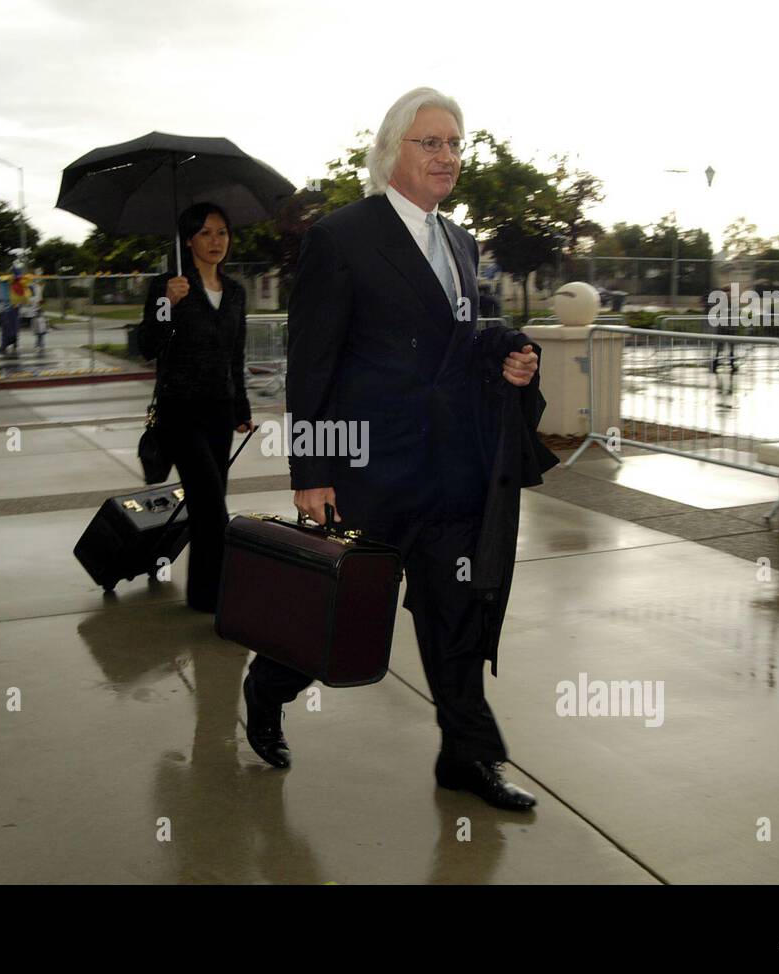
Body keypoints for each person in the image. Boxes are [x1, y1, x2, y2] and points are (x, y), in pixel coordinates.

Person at [241, 88, 559, 812]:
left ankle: (465, 758)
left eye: (454, 143)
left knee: (454, 617)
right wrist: (311, 472)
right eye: (431, 143)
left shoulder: (459, 240)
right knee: (340, 611)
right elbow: (312, 362)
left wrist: (504, 356)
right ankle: (270, 683)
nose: (448, 155)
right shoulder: (343, 237)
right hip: (369, 473)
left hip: (452, 475)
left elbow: (460, 340)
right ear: (392, 154)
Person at [136, 203, 254, 613]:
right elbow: (146, 347)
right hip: (179, 411)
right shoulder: (169, 286)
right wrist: (165, 303)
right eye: (205, 233)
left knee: (210, 503)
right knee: (210, 505)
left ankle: (205, 596)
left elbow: (234, 355)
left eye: (222, 232)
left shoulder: (236, 291)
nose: (216, 241)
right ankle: (222, 595)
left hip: (219, 410)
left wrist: (242, 407)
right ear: (188, 239)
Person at [25, 268, 47, 351]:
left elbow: (40, 299)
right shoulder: (32, 287)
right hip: (34, 310)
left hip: (38, 310)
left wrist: (40, 307)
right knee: (37, 328)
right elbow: (31, 300)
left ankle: (40, 344)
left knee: (41, 327)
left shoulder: (37, 287)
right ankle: (38, 343)